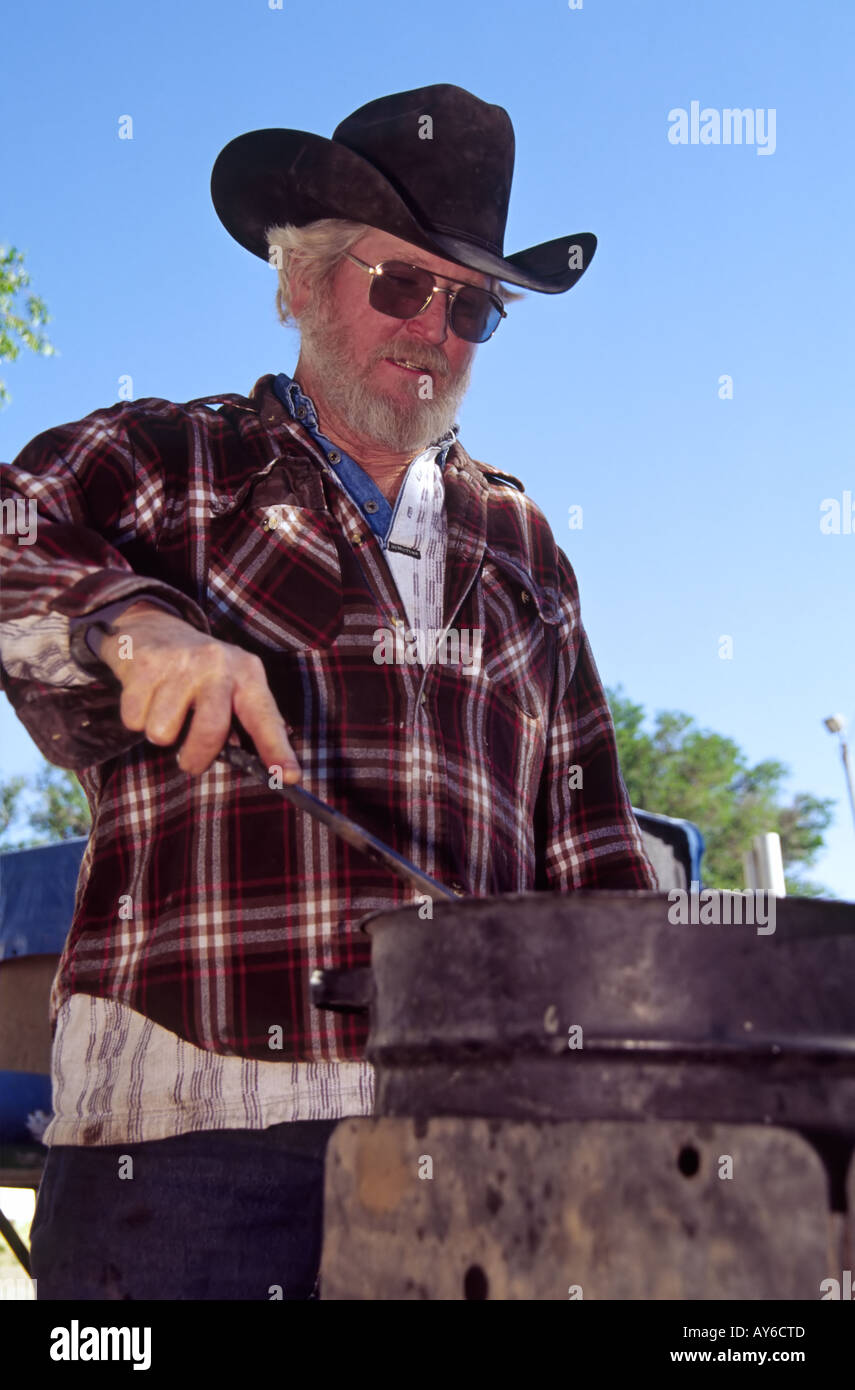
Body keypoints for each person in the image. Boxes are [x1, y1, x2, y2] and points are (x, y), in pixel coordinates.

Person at [0, 83, 656, 1300]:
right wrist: (130, 626)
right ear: (299, 281)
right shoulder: (169, 460)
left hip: (467, 1156)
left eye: (473, 308)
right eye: (400, 285)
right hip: (182, 1142)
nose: (435, 330)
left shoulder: (524, 545)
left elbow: (598, 854)